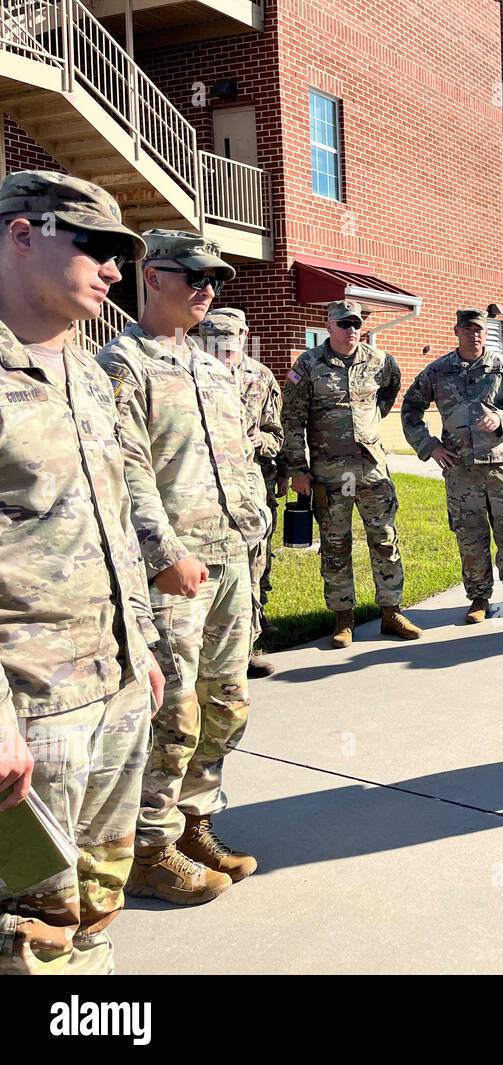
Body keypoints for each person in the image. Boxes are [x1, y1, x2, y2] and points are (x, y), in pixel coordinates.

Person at [0, 171, 164, 974]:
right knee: (32, 930)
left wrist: (145, 647)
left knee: (98, 905)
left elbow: (117, 520)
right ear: (22, 235)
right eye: (95, 246)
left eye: (122, 256)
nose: (114, 270)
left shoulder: (91, 374)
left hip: (118, 687)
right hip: (29, 712)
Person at [98, 229, 269, 904]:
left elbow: (240, 456)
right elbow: (127, 469)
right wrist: (166, 553)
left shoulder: (210, 365)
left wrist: (253, 519)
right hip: (173, 574)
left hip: (229, 561)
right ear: (154, 276)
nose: (206, 289)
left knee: (226, 705)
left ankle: (194, 821)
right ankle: (148, 848)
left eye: (216, 280)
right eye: (194, 275)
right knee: (174, 712)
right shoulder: (123, 363)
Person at [281, 300, 421, 647]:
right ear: (328, 326)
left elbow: (388, 394)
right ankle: (343, 619)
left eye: (357, 323)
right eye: (344, 324)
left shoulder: (379, 362)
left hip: (372, 469)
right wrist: (299, 468)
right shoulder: (308, 365)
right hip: (331, 472)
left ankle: (391, 612)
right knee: (336, 543)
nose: (352, 330)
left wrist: (369, 424)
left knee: (385, 539)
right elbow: (292, 419)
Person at [401, 308, 503, 623]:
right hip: (461, 470)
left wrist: (501, 418)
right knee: (470, 534)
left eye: (479, 329)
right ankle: (479, 598)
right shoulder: (437, 372)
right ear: (456, 331)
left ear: (485, 332)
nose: (474, 334)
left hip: (501, 466)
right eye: (467, 329)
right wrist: (430, 446)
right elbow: (410, 409)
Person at [197, 308, 283, 677]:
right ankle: (201, 654)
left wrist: (257, 440)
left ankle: (245, 649)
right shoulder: (187, 371)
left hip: (248, 488)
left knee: (251, 567)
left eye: (229, 343)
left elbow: (276, 434)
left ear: (244, 336)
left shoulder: (260, 377)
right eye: (214, 342)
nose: (222, 351)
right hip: (198, 488)